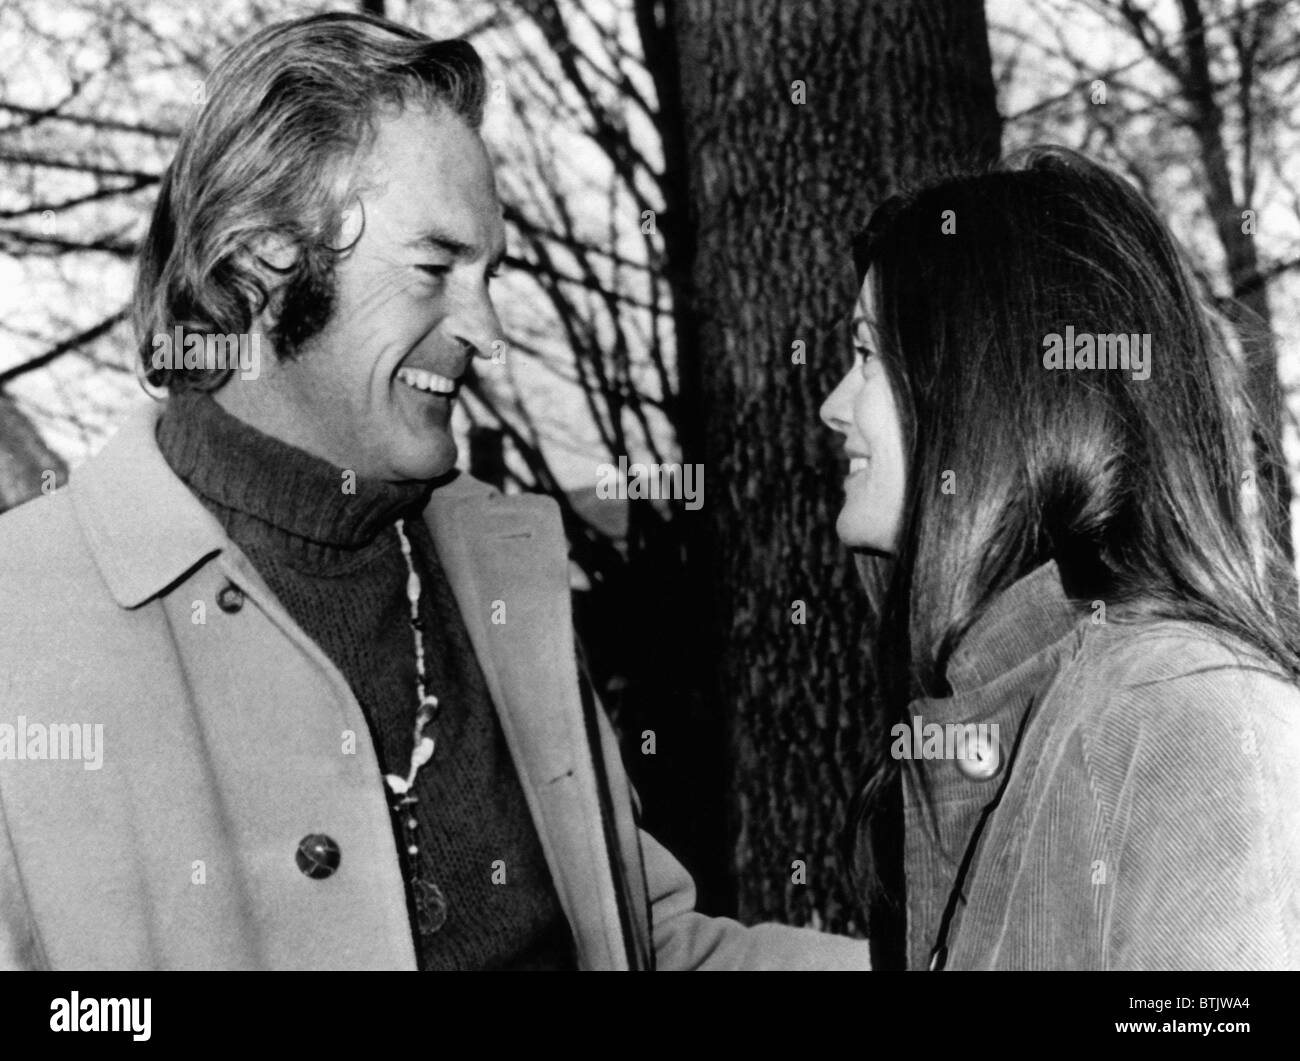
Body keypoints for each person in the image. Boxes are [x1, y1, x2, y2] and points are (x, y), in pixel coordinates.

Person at [0, 11, 870, 971]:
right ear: (257, 263)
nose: (488, 330)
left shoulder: (504, 576)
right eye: (435, 267)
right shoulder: (22, 625)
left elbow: (647, 950)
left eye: (490, 273)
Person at [819, 146, 1300, 970]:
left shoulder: (1183, 721)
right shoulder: (1018, 715)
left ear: (984, 382)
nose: (834, 407)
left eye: (867, 354)